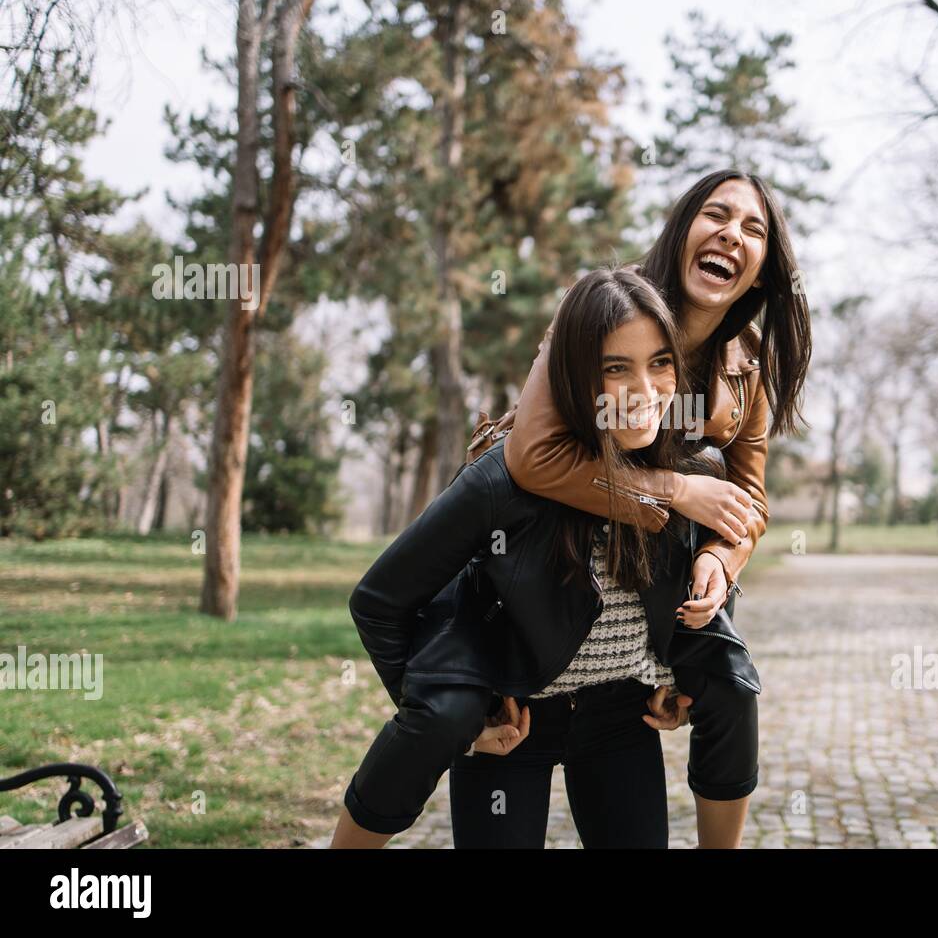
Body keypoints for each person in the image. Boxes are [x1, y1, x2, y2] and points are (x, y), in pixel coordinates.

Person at [329, 266, 758, 848]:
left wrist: (668, 671)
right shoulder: (501, 481)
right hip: (512, 725)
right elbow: (378, 601)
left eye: (659, 363)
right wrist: (452, 718)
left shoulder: (692, 474)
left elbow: (694, 574)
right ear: (573, 375)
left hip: (620, 724)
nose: (646, 389)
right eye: (615, 368)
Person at [485, 168, 812, 846]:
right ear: (681, 228)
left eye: (754, 229)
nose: (732, 233)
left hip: (652, 578)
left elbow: (748, 497)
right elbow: (533, 456)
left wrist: (723, 559)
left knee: (730, 686)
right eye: (716, 214)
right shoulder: (603, 308)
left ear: (759, 275)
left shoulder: (746, 371)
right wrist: (678, 491)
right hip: (552, 556)